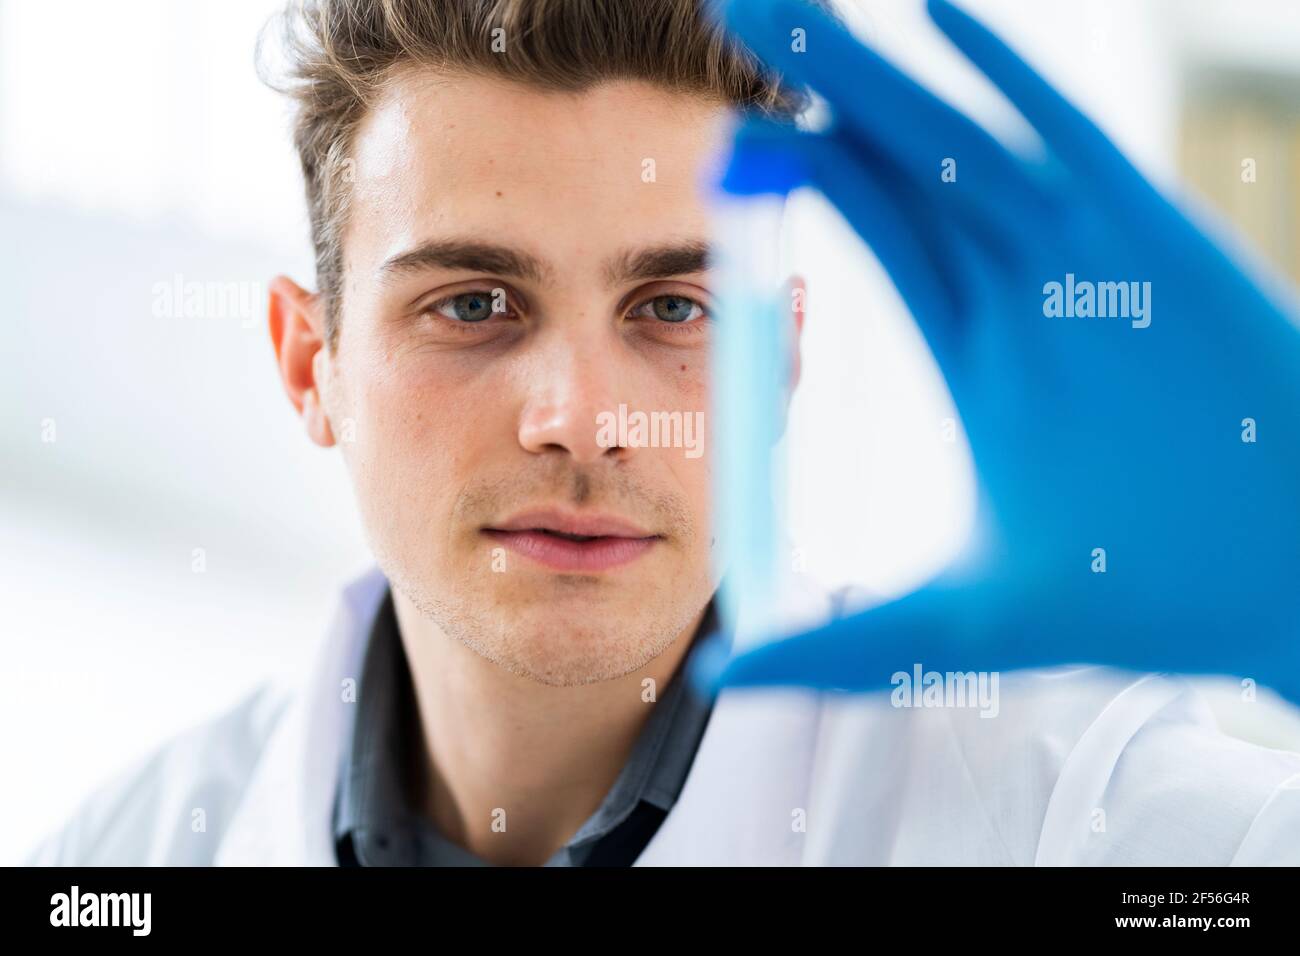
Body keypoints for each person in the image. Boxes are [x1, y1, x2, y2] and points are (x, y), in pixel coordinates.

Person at [27, 0, 1300, 867]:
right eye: (473, 303)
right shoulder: (126, 853)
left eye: (674, 306)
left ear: (781, 361)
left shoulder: (1061, 820)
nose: (581, 416)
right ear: (313, 364)